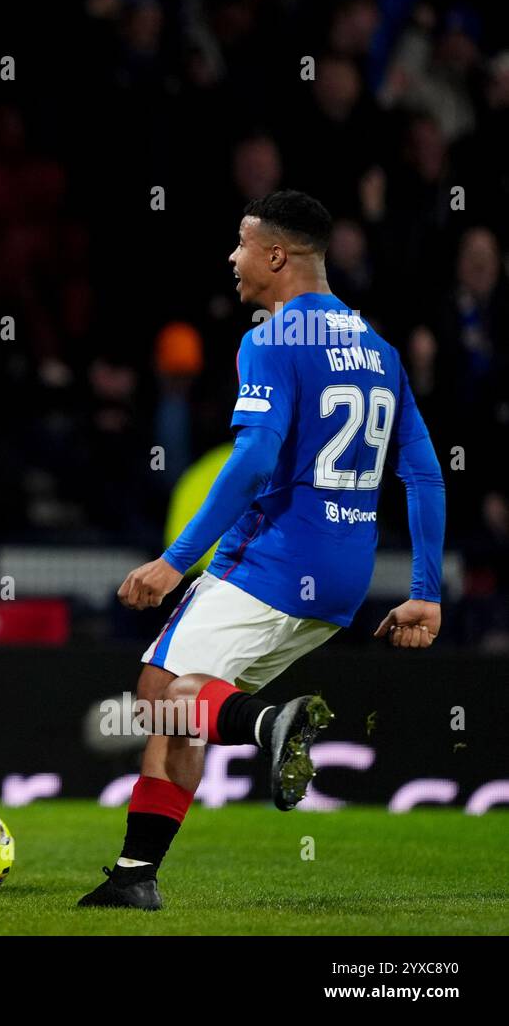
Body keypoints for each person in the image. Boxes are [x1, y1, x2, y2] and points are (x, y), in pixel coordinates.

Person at [79, 191, 445, 911]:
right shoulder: (379, 348)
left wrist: (173, 561)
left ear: (277, 255)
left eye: (241, 244)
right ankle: (134, 877)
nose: (232, 257)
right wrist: (427, 590)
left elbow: (253, 459)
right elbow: (425, 472)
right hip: (344, 579)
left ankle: (270, 723)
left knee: (160, 691)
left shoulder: (272, 337)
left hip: (276, 558)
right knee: (190, 695)